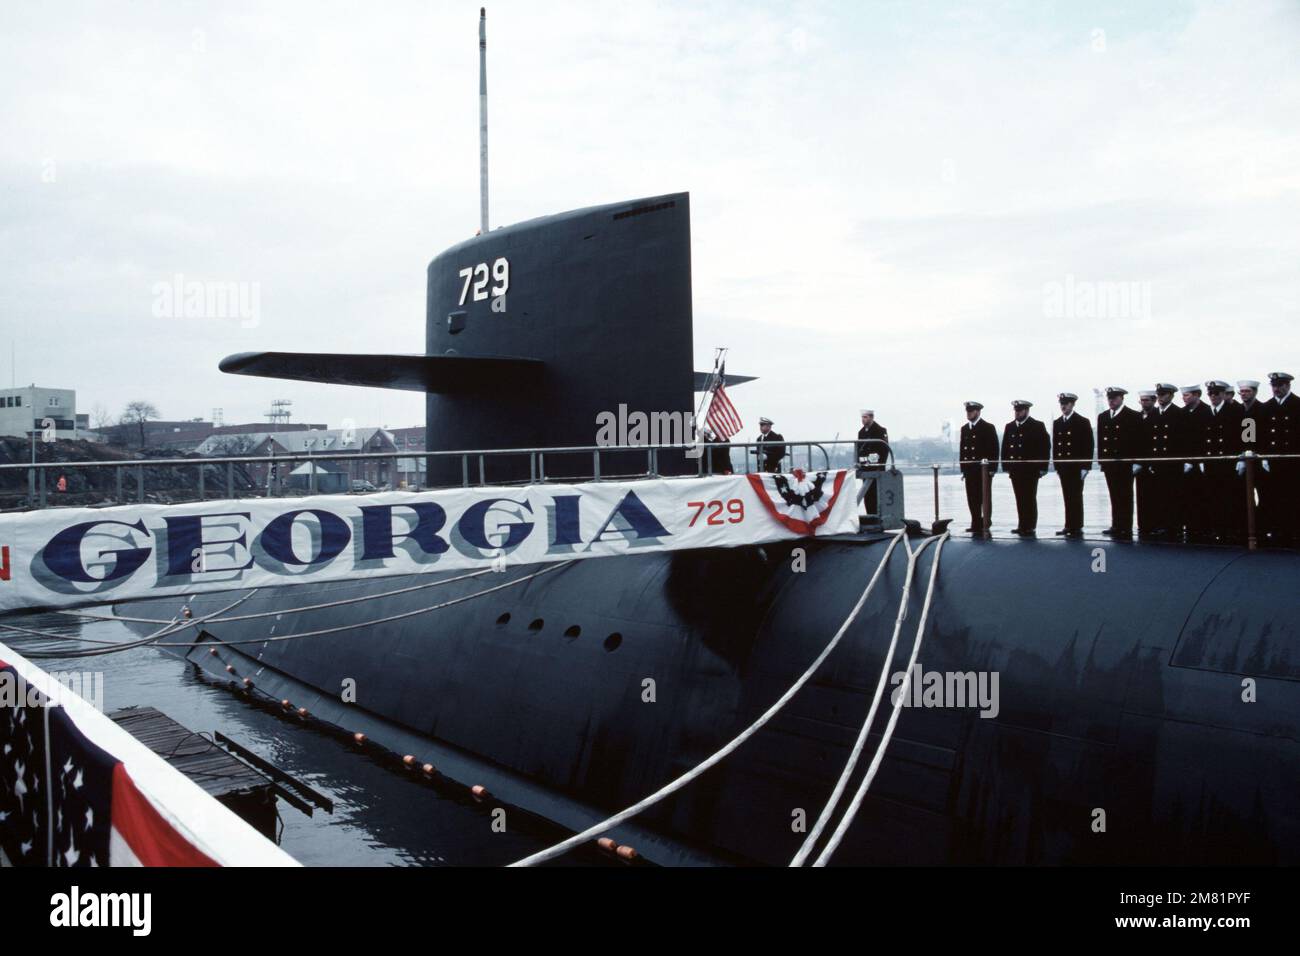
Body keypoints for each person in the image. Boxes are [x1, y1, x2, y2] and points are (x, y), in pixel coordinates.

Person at [1202, 381, 1244, 542]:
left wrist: (1246, 451)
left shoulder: (1237, 410)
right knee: (1213, 496)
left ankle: (1232, 530)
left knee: (1230, 497)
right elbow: (1200, 437)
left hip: (1230, 462)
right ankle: (1217, 529)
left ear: (1223, 395)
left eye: (1216, 394)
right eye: (1210, 394)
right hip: (1211, 462)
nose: (1213, 397)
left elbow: (1250, 429)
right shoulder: (1206, 412)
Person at [1097, 386, 1141, 539]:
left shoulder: (1133, 416)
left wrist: (1137, 462)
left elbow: (1137, 441)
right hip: (1110, 464)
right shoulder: (1103, 417)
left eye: (1114, 398)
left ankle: (1125, 526)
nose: (1111, 401)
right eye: (1109, 398)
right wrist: (1102, 461)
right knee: (1114, 495)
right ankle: (1116, 524)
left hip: (1125, 464)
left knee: (1125, 495)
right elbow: (1102, 442)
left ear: (1122, 398)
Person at [1001, 400, 1050, 536]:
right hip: (1015, 470)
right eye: (1016, 410)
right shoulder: (1009, 427)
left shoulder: (1037, 426)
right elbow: (1005, 447)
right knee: (1019, 498)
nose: (1017, 413)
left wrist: (1043, 467)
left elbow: (1045, 447)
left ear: (1027, 411)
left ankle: (1030, 526)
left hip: (1030, 470)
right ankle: (1022, 524)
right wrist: (1006, 466)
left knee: (1029, 497)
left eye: (1020, 410)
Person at [1262, 371, 1297, 545]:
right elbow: (1254, 433)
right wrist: (1255, 453)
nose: (1276, 389)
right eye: (1274, 386)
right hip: (1272, 461)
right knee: (1274, 497)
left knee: (1293, 496)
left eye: (1280, 386)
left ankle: (1294, 532)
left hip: (1293, 462)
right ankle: (1277, 531)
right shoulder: (1265, 408)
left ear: (1288, 386)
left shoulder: (1297, 405)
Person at [1147, 383, 1186, 541]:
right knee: (1159, 495)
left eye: (1163, 395)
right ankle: (1162, 524)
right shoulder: (1154, 414)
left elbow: (1184, 439)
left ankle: (1175, 526)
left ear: (1170, 395)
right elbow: (1148, 438)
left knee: (1173, 495)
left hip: (1173, 463)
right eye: (1158, 395)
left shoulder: (1179, 413)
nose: (1160, 398)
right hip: (1157, 462)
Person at [1052, 392, 1093, 537]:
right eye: (1061, 404)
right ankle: (1068, 524)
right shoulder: (1057, 422)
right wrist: (1057, 466)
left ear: (1072, 404)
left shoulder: (1082, 421)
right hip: (1064, 467)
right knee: (1067, 496)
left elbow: (1088, 445)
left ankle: (1076, 525)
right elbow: (1056, 446)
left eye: (1066, 404)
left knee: (1075, 496)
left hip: (1076, 467)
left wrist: (1086, 467)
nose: (1063, 406)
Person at [959, 401, 999, 534]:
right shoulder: (964, 429)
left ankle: (986, 521)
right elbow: (962, 450)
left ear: (978, 412)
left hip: (983, 471)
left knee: (984, 497)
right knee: (972, 497)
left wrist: (993, 468)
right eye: (967, 411)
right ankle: (975, 522)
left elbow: (994, 449)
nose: (969, 413)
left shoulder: (988, 427)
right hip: (969, 471)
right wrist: (963, 469)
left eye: (971, 411)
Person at [1180, 383, 1213, 541]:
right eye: (1183, 395)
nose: (1184, 398)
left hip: (1204, 461)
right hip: (1187, 462)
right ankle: (1191, 527)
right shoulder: (1182, 413)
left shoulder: (1207, 411)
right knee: (1188, 496)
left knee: (1205, 496)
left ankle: (1205, 527)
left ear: (1196, 395)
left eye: (1187, 395)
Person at [1134, 390, 1161, 537]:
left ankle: (1156, 524)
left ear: (1153, 401)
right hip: (1141, 463)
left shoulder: (1158, 415)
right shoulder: (1137, 417)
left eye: (1146, 400)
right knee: (1142, 495)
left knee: (1156, 495)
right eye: (1142, 401)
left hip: (1154, 462)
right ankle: (1143, 524)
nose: (1144, 403)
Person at [856, 408, 889, 515]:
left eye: (865, 417)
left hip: (876, 467)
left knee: (876, 494)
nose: (863, 420)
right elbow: (859, 450)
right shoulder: (861, 432)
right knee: (867, 494)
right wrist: (859, 464)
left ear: (871, 417)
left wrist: (881, 465)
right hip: (866, 467)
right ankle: (870, 515)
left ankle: (877, 516)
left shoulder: (880, 431)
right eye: (862, 417)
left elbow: (884, 449)